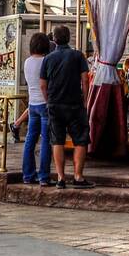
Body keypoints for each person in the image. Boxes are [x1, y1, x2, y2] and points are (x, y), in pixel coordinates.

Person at [40, 24, 94, 188]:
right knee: (80, 140)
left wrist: (48, 100)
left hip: (55, 104)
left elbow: (43, 84)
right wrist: (85, 100)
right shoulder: (78, 56)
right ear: (69, 37)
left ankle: (61, 178)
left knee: (57, 141)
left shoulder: (48, 58)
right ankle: (78, 176)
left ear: (54, 39)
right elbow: (85, 79)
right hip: (74, 104)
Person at [20, 32, 53, 187]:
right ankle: (44, 176)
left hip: (32, 104)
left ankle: (28, 174)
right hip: (44, 103)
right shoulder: (46, 61)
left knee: (30, 139)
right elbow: (45, 84)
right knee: (46, 140)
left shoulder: (27, 62)